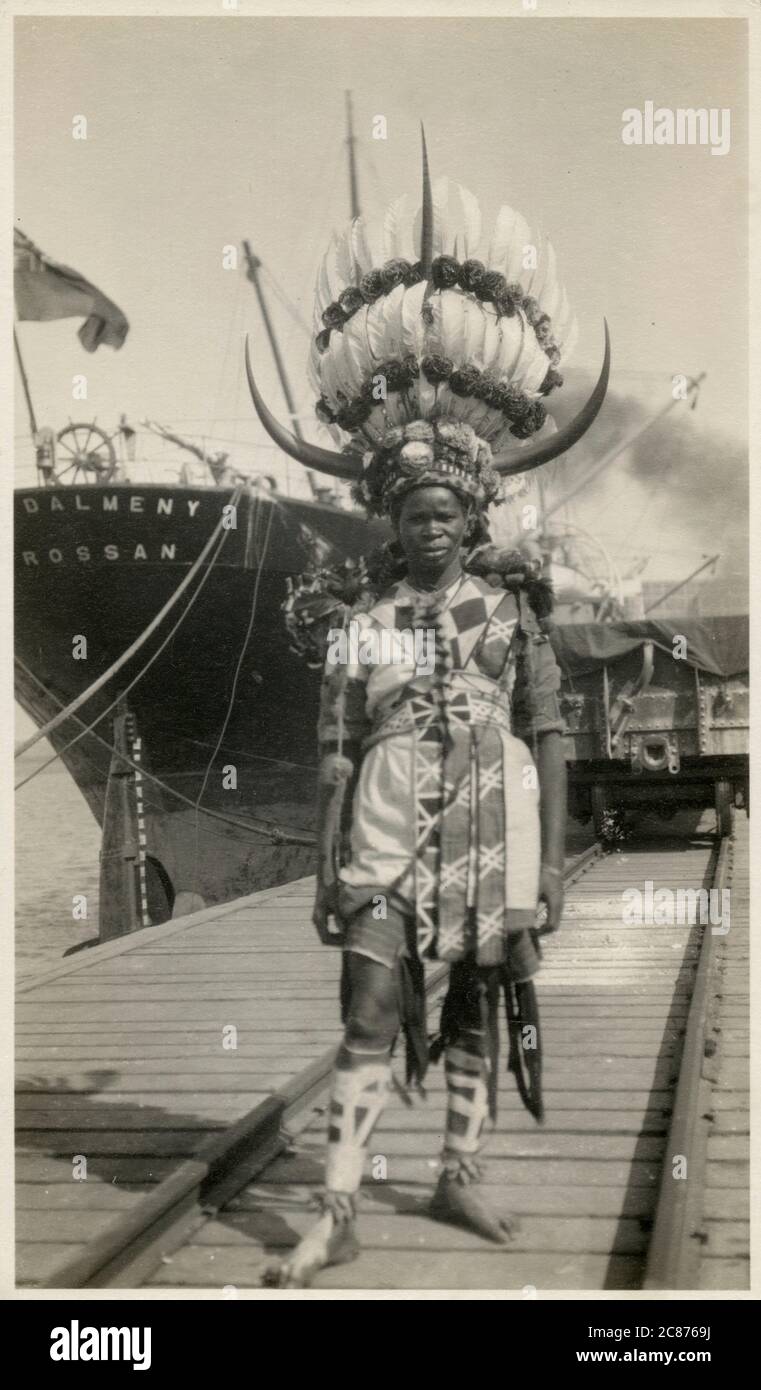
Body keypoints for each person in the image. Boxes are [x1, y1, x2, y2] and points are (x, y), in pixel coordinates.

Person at [245, 130, 609, 1287]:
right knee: (365, 1004)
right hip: (386, 831)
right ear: (388, 521)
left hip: (494, 825)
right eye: (411, 510)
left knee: (477, 1005)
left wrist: (547, 866)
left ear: (472, 513)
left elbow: (551, 745)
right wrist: (322, 866)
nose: (431, 522)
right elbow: (336, 750)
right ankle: (339, 1206)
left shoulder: (511, 616)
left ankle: (459, 1170)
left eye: (448, 506)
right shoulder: (361, 616)